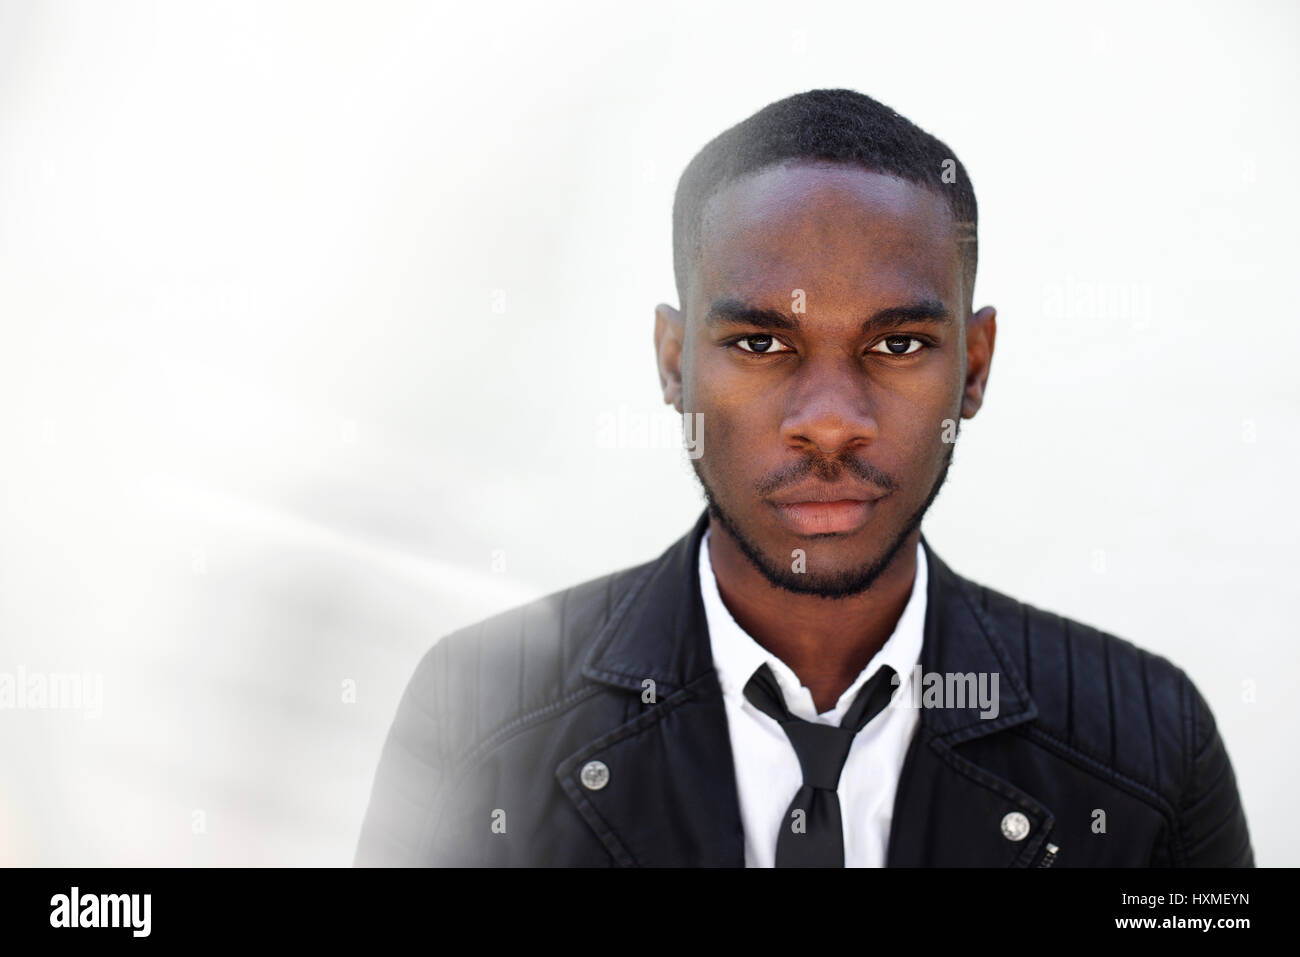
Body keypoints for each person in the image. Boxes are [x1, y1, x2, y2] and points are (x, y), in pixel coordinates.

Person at [354, 88, 1253, 867]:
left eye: (898, 344)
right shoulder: (476, 710)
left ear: (973, 368)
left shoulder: (1147, 742)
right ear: (674, 365)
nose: (830, 418)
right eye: (760, 343)